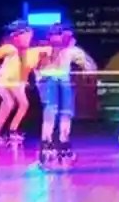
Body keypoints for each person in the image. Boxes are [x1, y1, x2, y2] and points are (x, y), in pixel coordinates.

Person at [33, 24, 97, 163]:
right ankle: (48, 142)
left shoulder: (70, 50)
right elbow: (35, 67)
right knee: (52, 111)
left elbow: (88, 64)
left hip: (61, 81)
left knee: (65, 112)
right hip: (50, 81)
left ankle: (61, 142)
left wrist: (88, 70)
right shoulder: (44, 50)